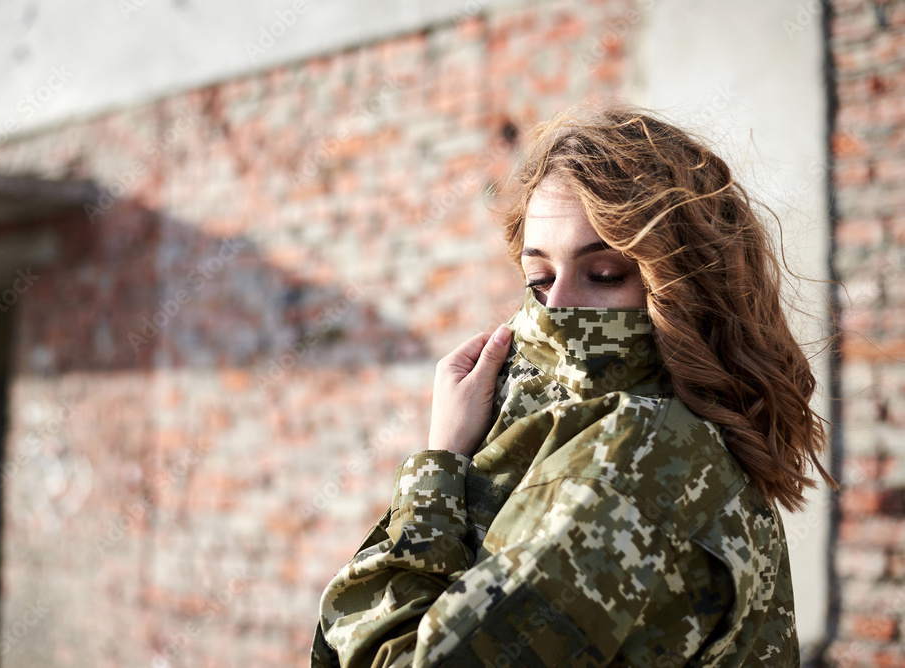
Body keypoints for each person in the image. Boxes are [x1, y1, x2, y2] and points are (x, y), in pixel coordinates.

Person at [309, 101, 837, 667]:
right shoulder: (613, 434)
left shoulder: (642, 454)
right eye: (539, 278)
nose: (558, 306)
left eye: (604, 274)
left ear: (689, 284)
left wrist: (438, 465)